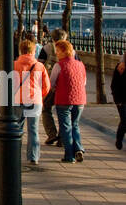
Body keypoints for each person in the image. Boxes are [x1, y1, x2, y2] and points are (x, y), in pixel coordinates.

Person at [15, 37, 51, 169]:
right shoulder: (39, 66)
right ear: (33, 50)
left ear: (20, 50)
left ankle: (14, 154)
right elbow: (47, 86)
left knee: (16, 129)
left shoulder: (14, 64)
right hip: (34, 100)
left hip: (18, 100)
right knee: (33, 130)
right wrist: (38, 95)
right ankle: (33, 157)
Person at [52, 40, 87, 164]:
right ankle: (78, 149)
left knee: (66, 127)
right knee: (75, 125)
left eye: (58, 51)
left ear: (64, 51)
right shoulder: (80, 64)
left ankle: (69, 156)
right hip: (80, 99)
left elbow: (52, 83)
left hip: (64, 99)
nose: (56, 53)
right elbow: (84, 82)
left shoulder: (59, 65)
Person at [111, 58, 126, 151]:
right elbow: (114, 85)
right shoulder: (121, 66)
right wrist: (117, 100)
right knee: (125, 121)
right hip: (122, 99)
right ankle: (119, 139)